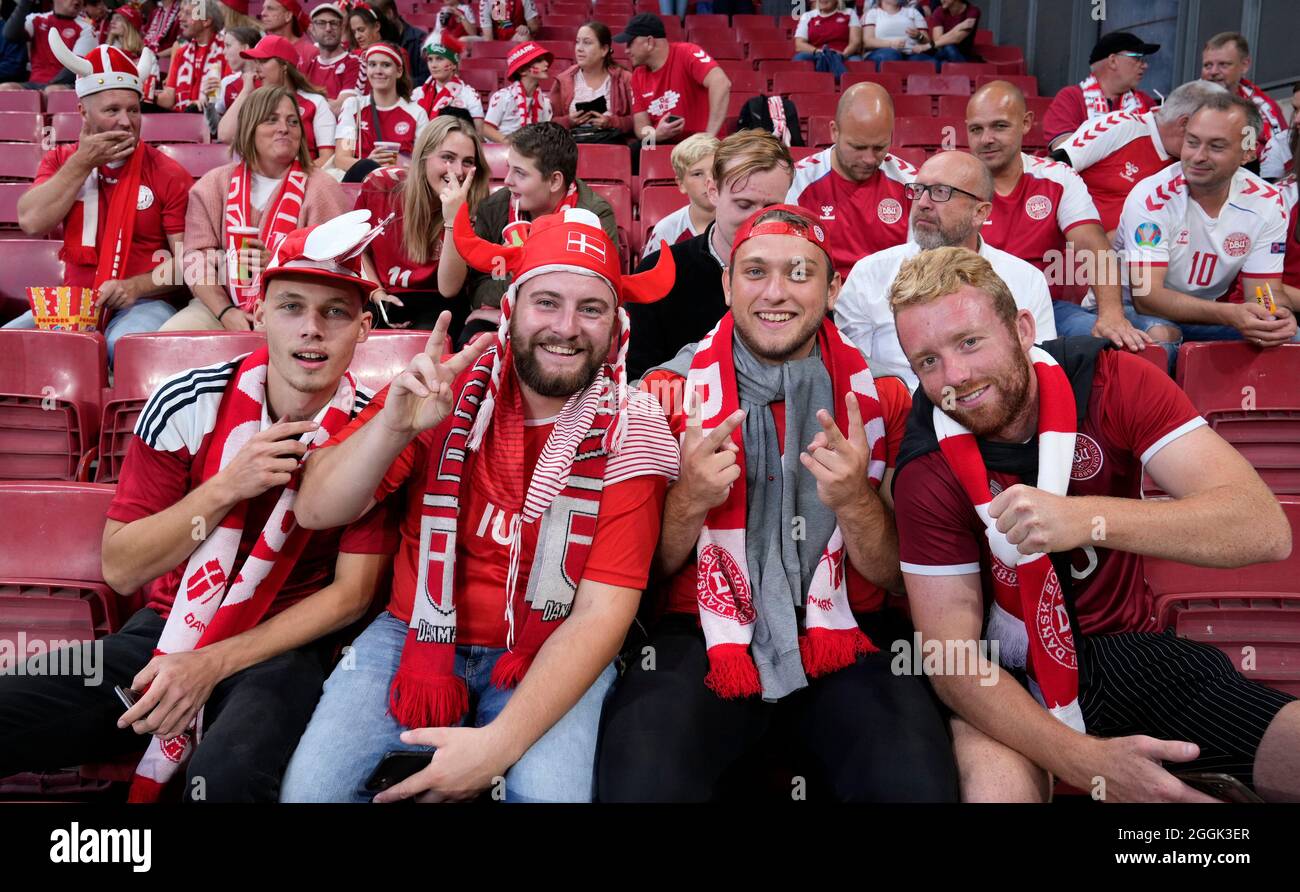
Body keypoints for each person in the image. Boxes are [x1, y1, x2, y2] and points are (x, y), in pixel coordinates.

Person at [279, 206, 679, 804]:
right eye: (547, 302)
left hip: (550, 648)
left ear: (617, 328)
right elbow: (315, 510)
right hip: (409, 630)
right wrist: (394, 429)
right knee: (312, 794)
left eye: (590, 308)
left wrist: (496, 749)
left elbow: (600, 615)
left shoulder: (634, 428)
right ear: (511, 310)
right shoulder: (440, 386)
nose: (566, 327)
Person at [0, 212, 398, 803]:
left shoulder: (376, 433)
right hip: (168, 628)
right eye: (291, 306)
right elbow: (123, 567)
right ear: (259, 313)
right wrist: (224, 487)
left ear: (364, 328)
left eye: (335, 312)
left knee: (228, 781)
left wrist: (209, 665)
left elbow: (352, 596)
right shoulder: (186, 402)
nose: (312, 329)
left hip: (280, 647)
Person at [888, 246, 1300, 802]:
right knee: (996, 792)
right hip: (1003, 679)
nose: (954, 377)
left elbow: (1262, 529)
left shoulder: (1112, 379)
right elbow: (952, 658)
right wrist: (1091, 763)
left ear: (1023, 328)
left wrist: (1087, 519)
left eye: (969, 342)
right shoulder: (925, 463)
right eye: (927, 361)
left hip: (1125, 649)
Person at [599, 204, 957, 802]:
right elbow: (638, 577)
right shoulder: (664, 396)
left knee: (913, 785)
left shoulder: (885, 401)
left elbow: (897, 575)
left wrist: (853, 502)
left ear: (833, 287)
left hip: (848, 627)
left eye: (799, 273)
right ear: (725, 283)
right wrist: (688, 501)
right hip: (705, 632)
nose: (775, 293)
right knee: (641, 779)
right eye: (755, 272)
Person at [3, 37, 186, 362]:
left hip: (142, 302)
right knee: (7, 344)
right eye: (112, 110)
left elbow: (188, 263)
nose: (126, 121)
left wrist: (136, 287)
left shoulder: (167, 171)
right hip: (75, 303)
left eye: (133, 109)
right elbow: (31, 221)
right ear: (82, 112)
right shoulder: (61, 161)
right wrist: (82, 162)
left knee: (121, 346)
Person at [837, 151, 1055, 390]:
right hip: (899, 418)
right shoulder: (869, 274)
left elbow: (1039, 371)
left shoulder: (1026, 279)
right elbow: (853, 374)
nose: (922, 203)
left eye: (940, 192)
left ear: (980, 212)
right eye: (918, 190)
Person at [966, 81, 1147, 352]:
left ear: (1026, 123)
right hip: (969, 310)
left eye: (1000, 126)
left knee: (1141, 339)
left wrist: (1110, 315)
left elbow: (1093, 247)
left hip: (1047, 308)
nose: (986, 139)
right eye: (976, 129)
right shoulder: (952, 182)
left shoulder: (1057, 178)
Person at [1115, 93, 1294, 359]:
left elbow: (1261, 291)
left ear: (1247, 152)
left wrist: (1274, 313)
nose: (1198, 156)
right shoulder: (1151, 197)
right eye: (1192, 142)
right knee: (1161, 337)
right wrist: (1230, 314)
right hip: (1131, 310)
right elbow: (1147, 297)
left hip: (1208, 315)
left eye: (1216, 147)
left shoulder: (1268, 202)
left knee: (1288, 337)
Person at [167, 86, 351, 332]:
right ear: (249, 128)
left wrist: (282, 266)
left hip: (300, 308)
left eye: (293, 121)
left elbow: (339, 267)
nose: (284, 128)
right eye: (271, 120)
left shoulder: (323, 188)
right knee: (171, 337)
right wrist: (225, 312)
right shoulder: (212, 184)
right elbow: (195, 259)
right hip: (220, 304)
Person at [630, 129, 793, 378]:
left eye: (772, 207)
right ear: (713, 191)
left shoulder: (805, 272)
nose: (757, 219)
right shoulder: (659, 272)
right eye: (744, 204)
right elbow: (639, 380)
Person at [463, 122, 617, 342]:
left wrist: (517, 271)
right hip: (502, 316)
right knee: (471, 337)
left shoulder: (594, 214)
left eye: (520, 173)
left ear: (555, 181)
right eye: (509, 168)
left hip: (571, 321)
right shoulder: (494, 207)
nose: (507, 181)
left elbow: (598, 293)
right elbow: (478, 289)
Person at [356, 115, 490, 329]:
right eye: (447, 157)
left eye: (468, 162)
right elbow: (359, 248)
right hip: (382, 293)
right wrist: (376, 293)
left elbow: (449, 289)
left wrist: (454, 218)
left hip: (440, 301)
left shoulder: (477, 206)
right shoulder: (380, 185)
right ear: (423, 157)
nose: (457, 171)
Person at [1052, 79, 1227, 237]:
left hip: (1148, 256)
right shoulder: (1121, 127)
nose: (1211, 146)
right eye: (1212, 129)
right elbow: (1050, 172)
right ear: (1184, 123)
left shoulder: (1200, 162)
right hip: (1075, 252)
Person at [786, 82, 917, 281]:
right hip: (823, 300)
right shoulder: (797, 182)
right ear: (834, 131)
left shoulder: (912, 185)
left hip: (891, 302)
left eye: (879, 147)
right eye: (858, 147)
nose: (869, 159)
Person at [216, 35, 336, 162]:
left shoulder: (315, 102)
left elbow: (327, 157)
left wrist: (293, 178)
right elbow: (225, 135)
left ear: (284, 65)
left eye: (263, 61)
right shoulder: (254, 100)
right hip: (261, 177)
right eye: (255, 62)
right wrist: (245, 91)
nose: (256, 68)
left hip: (305, 176)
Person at [617, 13, 730, 144]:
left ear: (649, 42)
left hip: (700, 143)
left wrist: (708, 137)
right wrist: (656, 134)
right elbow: (641, 128)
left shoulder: (687, 52)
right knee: (637, 149)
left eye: (630, 43)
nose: (626, 50)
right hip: (664, 143)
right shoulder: (638, 75)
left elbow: (721, 83)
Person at [1043, 31, 1159, 152]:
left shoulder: (1145, 101)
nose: (1144, 65)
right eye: (1137, 57)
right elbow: (1065, 151)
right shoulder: (1071, 98)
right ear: (1113, 61)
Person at [1201, 32, 1290, 180]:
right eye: (1207, 65)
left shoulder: (1266, 109)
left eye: (1223, 64)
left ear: (1245, 65)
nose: (1214, 72)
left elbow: (1284, 155)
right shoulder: (1186, 101)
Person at [333, 42, 428, 180]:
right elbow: (341, 159)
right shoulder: (353, 106)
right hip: (361, 187)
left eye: (386, 65)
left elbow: (424, 165)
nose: (378, 71)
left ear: (399, 71)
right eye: (372, 64)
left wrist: (395, 166)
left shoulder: (417, 113)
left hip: (401, 187)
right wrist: (368, 165)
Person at [549, 21, 635, 145]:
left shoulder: (625, 79)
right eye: (577, 42)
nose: (579, 48)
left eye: (587, 43)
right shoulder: (563, 80)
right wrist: (568, 121)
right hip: (571, 147)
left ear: (604, 50)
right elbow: (549, 122)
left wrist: (611, 122)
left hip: (611, 146)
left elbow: (637, 122)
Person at [641, 132, 717, 259]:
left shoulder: (744, 223)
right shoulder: (666, 230)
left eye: (716, 171)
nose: (710, 180)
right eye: (697, 174)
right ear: (681, 184)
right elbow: (648, 277)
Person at [0, 0, 95, 91]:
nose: (78, 1)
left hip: (65, 84)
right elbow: (10, 34)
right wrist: (26, 2)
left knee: (53, 91)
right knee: (5, 88)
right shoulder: (36, 19)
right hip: (35, 84)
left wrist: (46, 88)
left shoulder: (87, 28)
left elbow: (75, 65)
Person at [152, 0, 227, 112]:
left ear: (206, 21)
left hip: (211, 120)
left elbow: (228, 93)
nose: (180, 18)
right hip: (181, 119)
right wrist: (149, 95)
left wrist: (205, 102)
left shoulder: (226, 51)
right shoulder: (181, 53)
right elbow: (169, 98)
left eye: (188, 14)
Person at [301, 2, 364, 116]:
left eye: (334, 23)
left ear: (342, 27)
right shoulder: (307, 66)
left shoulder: (355, 63)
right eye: (321, 23)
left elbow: (341, 108)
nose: (328, 28)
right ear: (312, 29)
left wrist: (307, 105)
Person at [483, 40, 550, 142]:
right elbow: (486, 128)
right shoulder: (503, 97)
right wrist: (509, 143)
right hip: (502, 152)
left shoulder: (545, 102)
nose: (546, 63)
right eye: (539, 60)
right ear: (522, 70)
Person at [412, 36, 482, 128]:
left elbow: (478, 133)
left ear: (453, 64)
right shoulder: (418, 93)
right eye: (430, 59)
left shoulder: (469, 95)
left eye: (439, 59)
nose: (433, 65)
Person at [105, 3, 161, 101]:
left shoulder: (147, 55)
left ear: (130, 25)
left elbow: (153, 82)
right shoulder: (106, 52)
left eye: (118, 19)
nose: (112, 22)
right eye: (112, 19)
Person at [792, 0, 864, 73]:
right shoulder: (807, 16)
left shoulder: (850, 13)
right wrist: (818, 51)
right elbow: (799, 44)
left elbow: (855, 42)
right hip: (817, 54)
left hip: (844, 54)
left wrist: (843, 55)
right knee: (800, 58)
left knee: (856, 61)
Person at [368, 0, 429, 85]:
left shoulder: (420, 40)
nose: (376, 29)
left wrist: (395, 84)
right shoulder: (373, 42)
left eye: (377, 24)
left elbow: (428, 80)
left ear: (389, 13)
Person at [211, 26, 267, 117]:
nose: (223, 52)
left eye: (228, 46)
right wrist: (209, 102)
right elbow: (216, 126)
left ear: (245, 48)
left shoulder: (269, 80)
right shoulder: (227, 83)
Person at [861, 0, 933, 69]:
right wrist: (891, 44)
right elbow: (868, 42)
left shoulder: (913, 12)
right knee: (891, 55)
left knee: (932, 63)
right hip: (881, 52)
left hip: (911, 53)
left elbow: (927, 43)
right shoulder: (872, 13)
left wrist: (918, 36)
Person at [258, 0, 315, 68]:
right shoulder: (259, 47)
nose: (263, 13)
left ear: (288, 16)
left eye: (270, 8)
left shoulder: (309, 52)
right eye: (263, 8)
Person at [927, 0, 981, 67]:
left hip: (963, 56)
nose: (941, 0)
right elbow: (937, 43)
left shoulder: (972, 11)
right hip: (941, 53)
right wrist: (958, 27)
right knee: (947, 48)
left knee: (949, 49)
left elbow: (958, 39)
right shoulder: (939, 11)